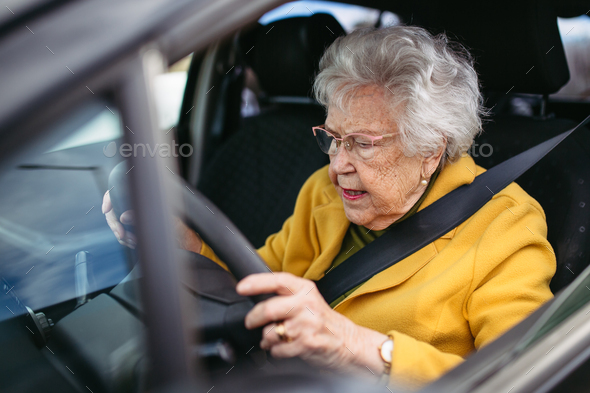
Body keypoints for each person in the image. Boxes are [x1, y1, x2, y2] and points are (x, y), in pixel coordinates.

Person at [103, 26, 555, 389]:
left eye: (361, 144)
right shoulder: (324, 192)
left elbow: (525, 371)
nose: (338, 166)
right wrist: (188, 246)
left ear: (432, 150)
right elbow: (257, 279)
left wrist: (356, 347)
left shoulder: (504, 226)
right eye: (333, 139)